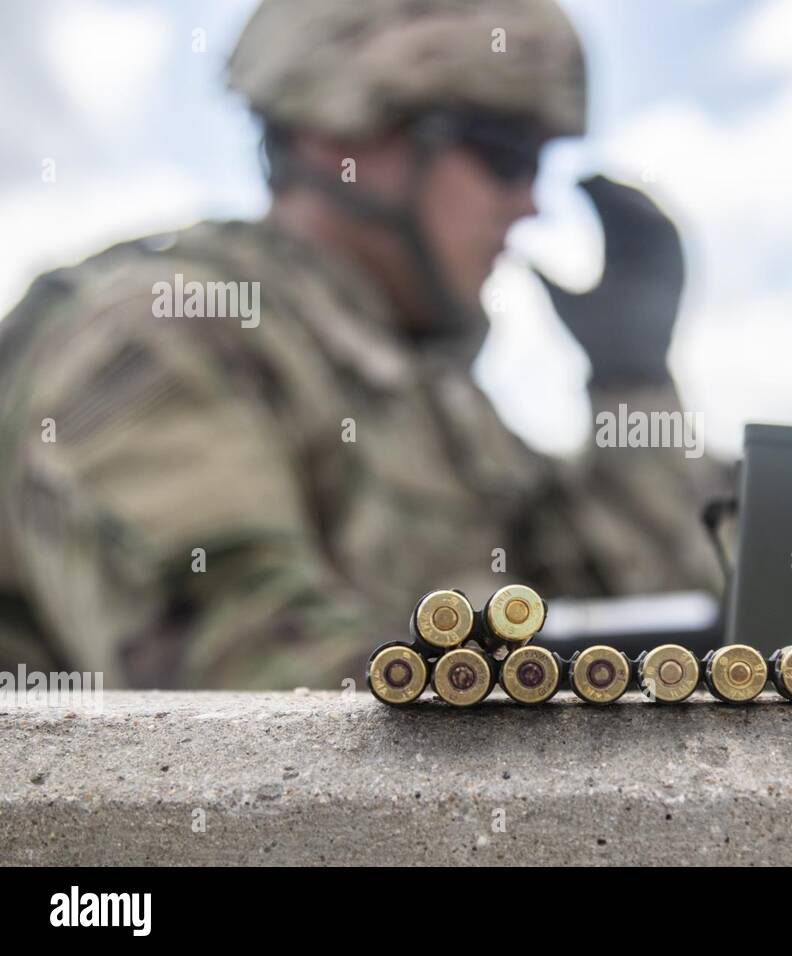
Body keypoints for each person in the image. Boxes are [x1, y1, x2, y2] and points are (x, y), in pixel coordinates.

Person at [0, 0, 724, 689]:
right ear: (338, 134)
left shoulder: (434, 399)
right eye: (505, 156)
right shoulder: (159, 338)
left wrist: (631, 385)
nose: (530, 202)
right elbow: (250, 699)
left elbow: (660, 624)